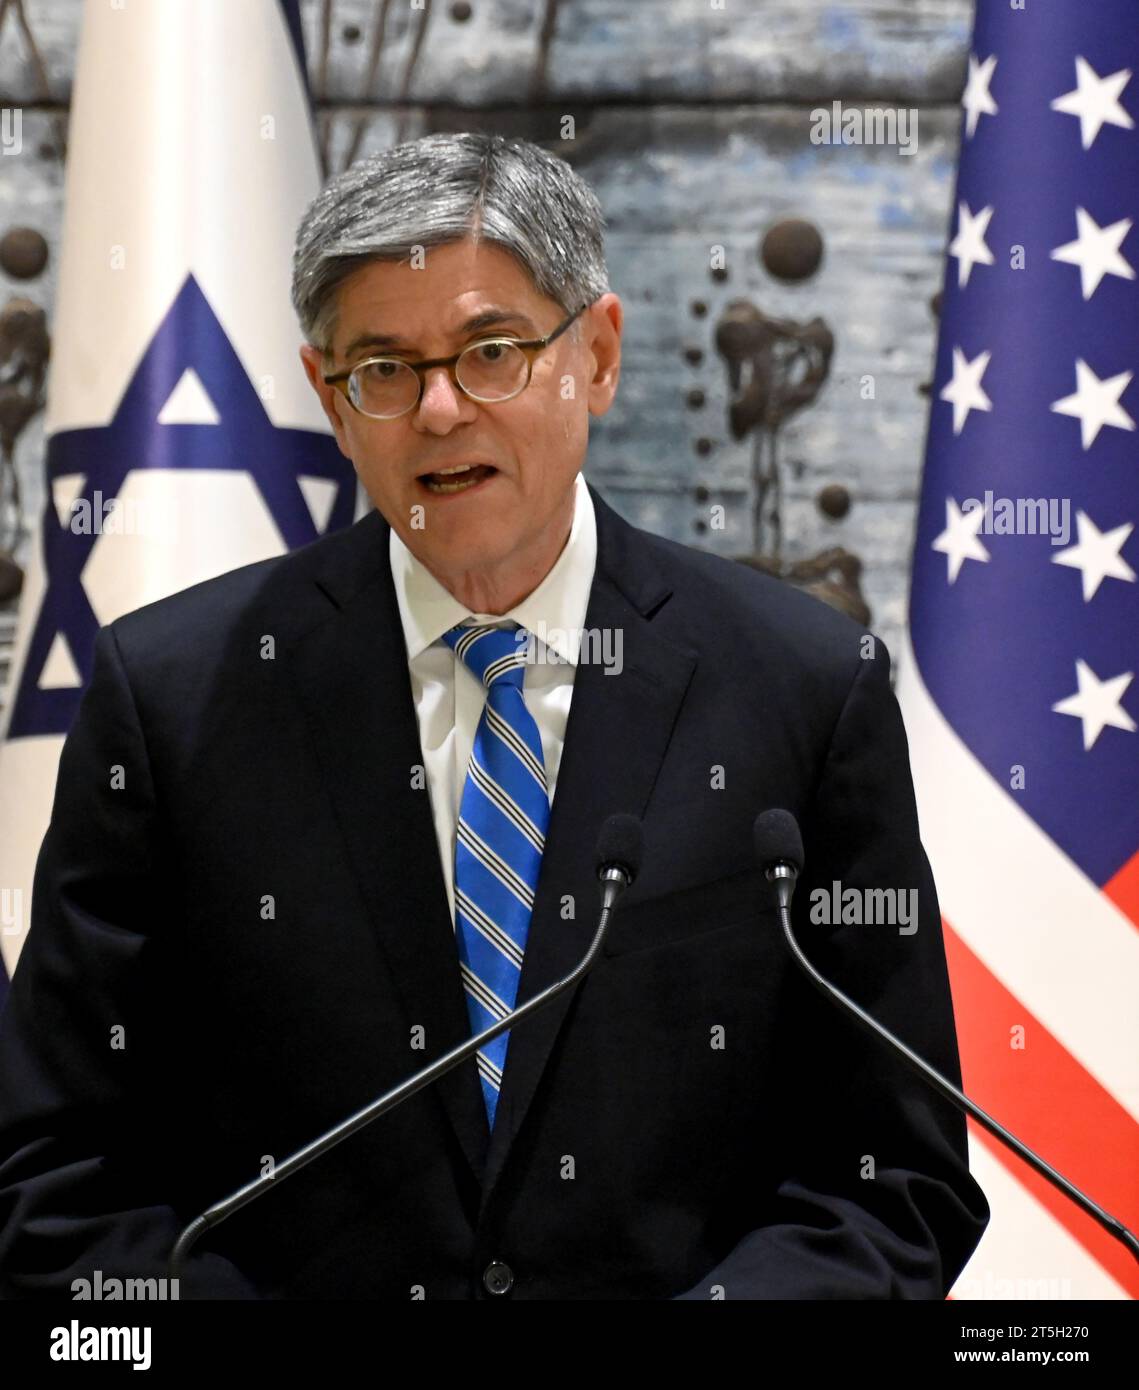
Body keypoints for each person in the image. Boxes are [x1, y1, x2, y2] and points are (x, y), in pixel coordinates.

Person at [0, 133, 989, 1299]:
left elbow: (894, 1182)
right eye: (383, 367)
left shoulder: (800, 689)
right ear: (328, 394)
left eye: (491, 352)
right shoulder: (175, 699)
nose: (436, 410)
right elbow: (52, 1183)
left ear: (600, 354)